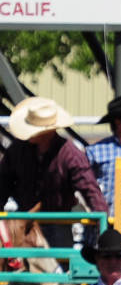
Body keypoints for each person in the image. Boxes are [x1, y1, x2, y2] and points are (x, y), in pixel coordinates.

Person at [0, 96, 107, 246]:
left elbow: (90, 190)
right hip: (23, 224)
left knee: (59, 265)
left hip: (57, 224)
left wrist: (103, 224)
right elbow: (2, 184)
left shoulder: (70, 154)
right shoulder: (17, 151)